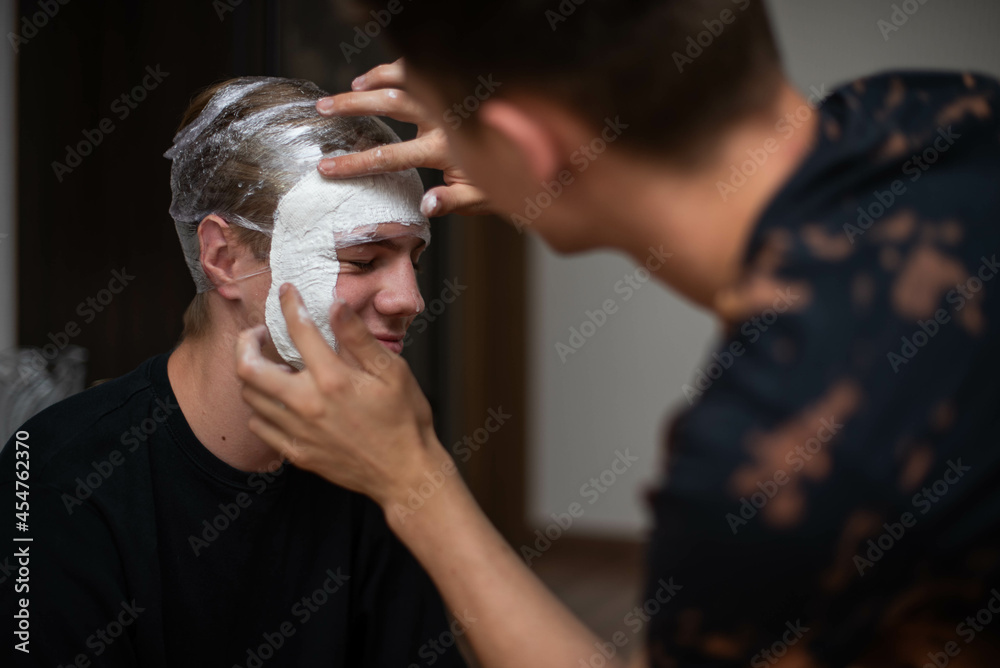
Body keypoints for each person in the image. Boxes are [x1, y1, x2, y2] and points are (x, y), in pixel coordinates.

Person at [234, 1, 1000, 667]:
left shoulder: (770, 471)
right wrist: (529, 161)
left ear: (537, 145)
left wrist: (412, 483)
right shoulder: (948, 111)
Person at [0, 76, 467, 667]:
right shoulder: (52, 476)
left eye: (414, 259)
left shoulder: (376, 459)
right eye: (363, 259)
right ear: (223, 258)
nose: (410, 299)